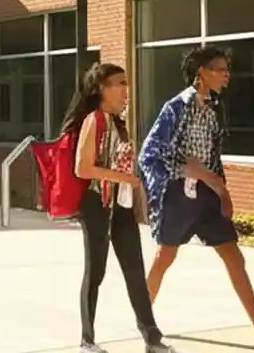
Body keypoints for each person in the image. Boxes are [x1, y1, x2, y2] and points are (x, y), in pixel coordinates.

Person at [138, 45, 254, 346]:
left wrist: (222, 190)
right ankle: (146, 324)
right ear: (203, 73)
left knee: (233, 255)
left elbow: (211, 159)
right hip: (179, 197)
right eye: (220, 69)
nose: (227, 75)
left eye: (226, 69)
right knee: (164, 257)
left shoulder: (213, 107)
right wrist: (188, 170)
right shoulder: (177, 107)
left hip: (208, 197)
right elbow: (150, 154)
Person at [64, 63, 175, 353]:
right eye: (120, 83)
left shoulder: (118, 121)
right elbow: (82, 168)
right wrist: (124, 177)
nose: (127, 89)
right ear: (103, 88)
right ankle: (86, 340)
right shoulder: (94, 120)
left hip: (121, 205)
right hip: (96, 206)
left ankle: (152, 338)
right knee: (95, 273)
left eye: (127, 83)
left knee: (135, 271)